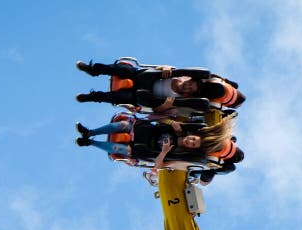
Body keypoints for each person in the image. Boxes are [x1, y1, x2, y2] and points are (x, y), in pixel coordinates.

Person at [75, 115, 236, 172]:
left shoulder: (179, 154)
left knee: (119, 148)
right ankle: (90, 132)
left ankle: (89, 142)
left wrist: (164, 151)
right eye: (193, 139)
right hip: (145, 132)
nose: (190, 141)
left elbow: (159, 166)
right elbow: (159, 120)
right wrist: (171, 123)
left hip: (145, 149)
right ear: (193, 135)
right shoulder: (180, 129)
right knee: (123, 125)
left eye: (192, 144)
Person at [75, 59, 245, 111]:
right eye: (190, 84)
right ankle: (93, 69)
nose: (187, 87)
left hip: (144, 96)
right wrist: (164, 68)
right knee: (128, 71)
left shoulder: (181, 99)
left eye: (190, 89)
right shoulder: (179, 74)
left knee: (125, 97)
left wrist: (166, 105)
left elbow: (161, 111)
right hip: (146, 79)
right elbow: (162, 69)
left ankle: (91, 97)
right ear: (190, 79)